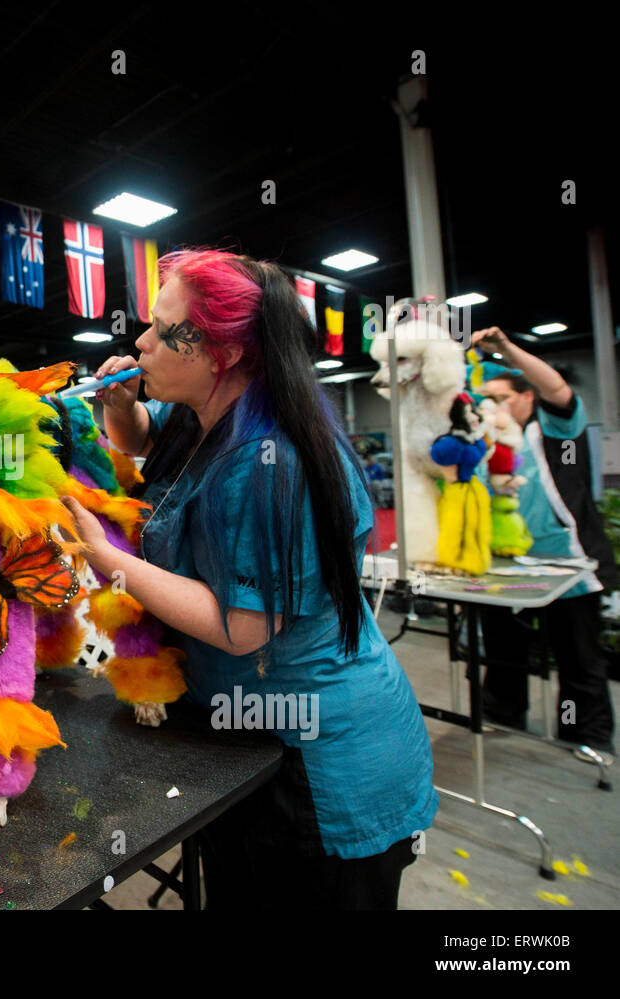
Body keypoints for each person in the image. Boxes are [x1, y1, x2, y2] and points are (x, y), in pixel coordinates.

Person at [58, 248, 437, 909]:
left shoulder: (268, 464)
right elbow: (150, 439)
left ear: (220, 355)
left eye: (161, 328)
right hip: (246, 740)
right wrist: (120, 409)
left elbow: (242, 628)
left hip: (317, 768)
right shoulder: (212, 414)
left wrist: (106, 555)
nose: (140, 341)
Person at [471, 327, 618, 762]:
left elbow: (558, 388)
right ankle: (503, 713)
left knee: (576, 661)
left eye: (503, 398)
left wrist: (507, 351)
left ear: (528, 398)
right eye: (487, 400)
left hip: (567, 569)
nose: (493, 407)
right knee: (503, 653)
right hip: (505, 570)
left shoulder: (555, 433)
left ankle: (582, 734)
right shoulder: (484, 446)